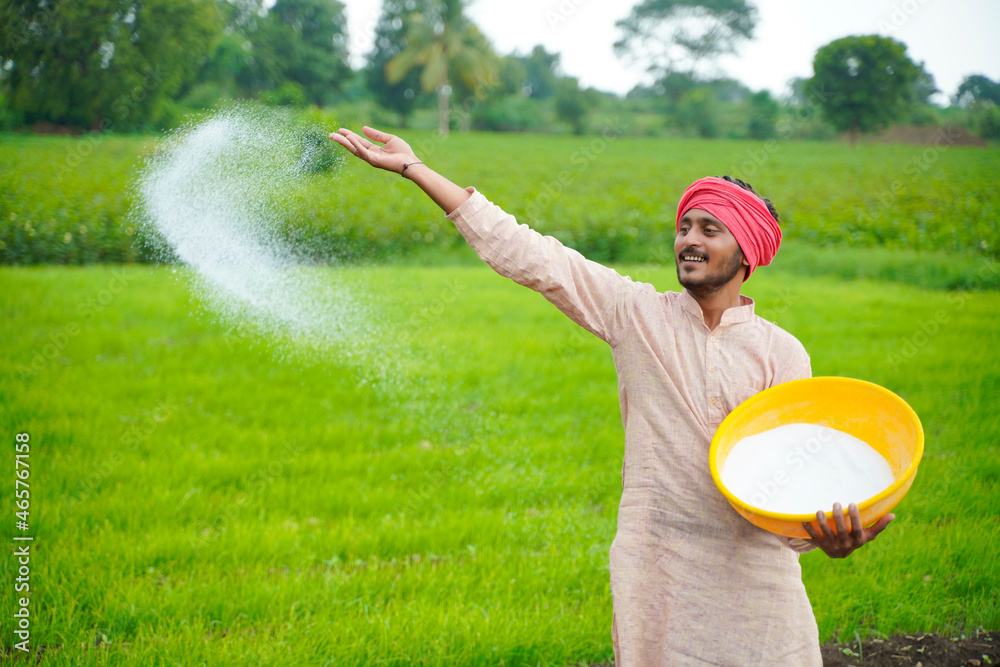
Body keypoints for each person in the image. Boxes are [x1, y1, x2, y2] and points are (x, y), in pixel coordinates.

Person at [329, 126, 895, 666]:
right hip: (658, 568)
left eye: (709, 230)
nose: (689, 240)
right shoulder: (636, 313)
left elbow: (788, 481)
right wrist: (414, 168)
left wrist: (827, 538)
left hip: (757, 584)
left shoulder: (782, 354)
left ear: (747, 252)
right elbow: (530, 254)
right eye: (684, 227)